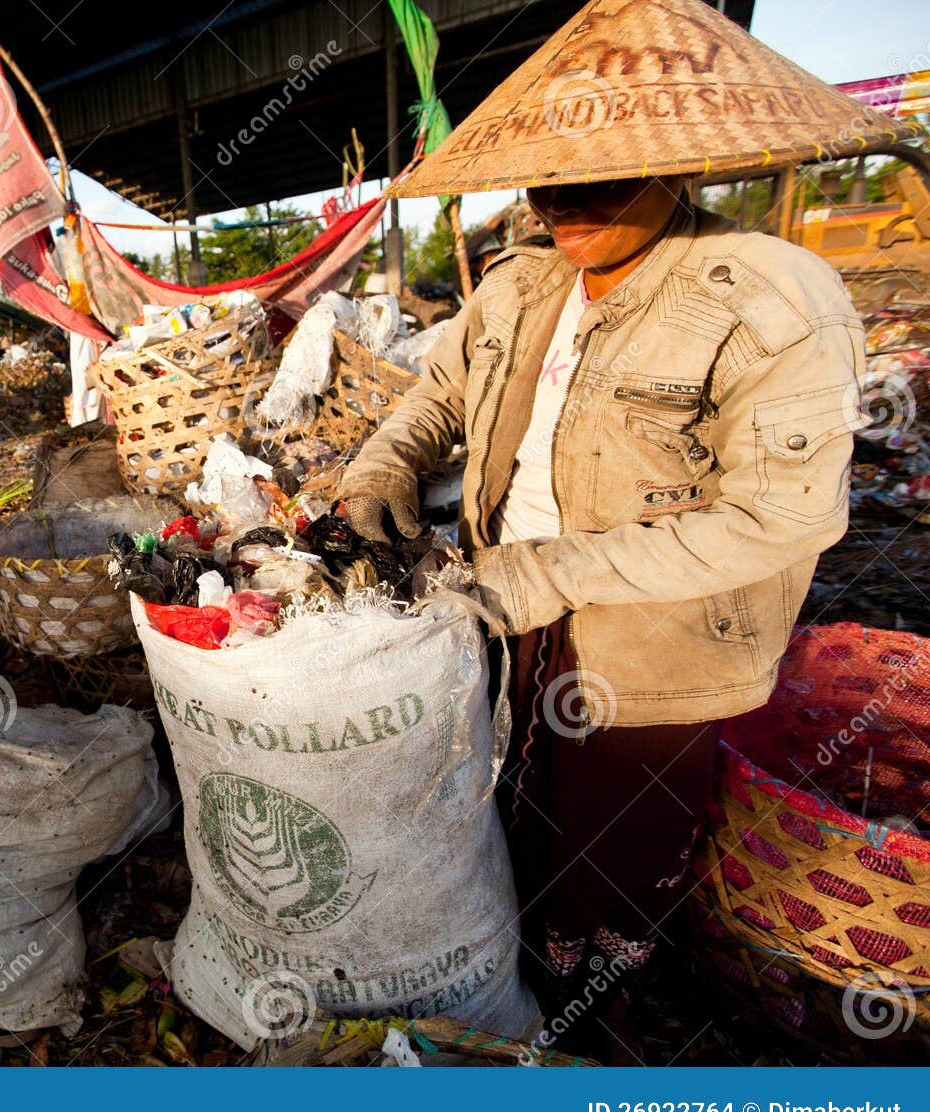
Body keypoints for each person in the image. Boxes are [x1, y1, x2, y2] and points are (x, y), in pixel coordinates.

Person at [337, 0, 912, 1049]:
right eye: (549, 180)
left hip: (653, 648)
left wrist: (547, 574)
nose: (567, 201)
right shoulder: (521, 283)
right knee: (501, 814)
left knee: (608, 858)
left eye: (605, 177)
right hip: (505, 610)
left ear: (679, 166)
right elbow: (440, 393)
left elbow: (782, 517)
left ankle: (587, 1034)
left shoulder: (774, 300)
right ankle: (498, 984)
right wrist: (385, 463)